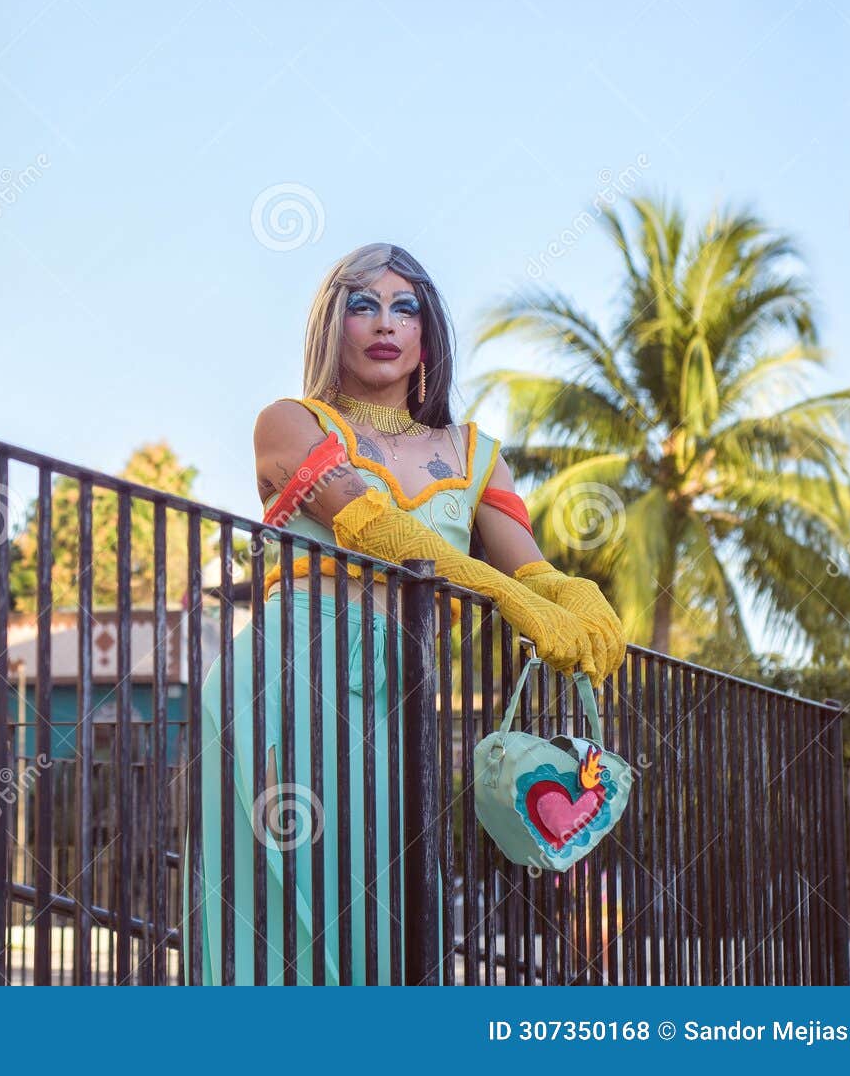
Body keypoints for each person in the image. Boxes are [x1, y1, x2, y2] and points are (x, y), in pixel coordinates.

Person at [183, 242, 626, 985]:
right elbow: (375, 532)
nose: (383, 323)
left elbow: (532, 565)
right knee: (284, 892)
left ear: (427, 337)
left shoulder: (474, 451)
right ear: (334, 327)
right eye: (362, 305)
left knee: (389, 893)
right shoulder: (292, 422)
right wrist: (506, 597)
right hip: (294, 665)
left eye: (404, 307)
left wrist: (568, 592)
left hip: (401, 682)